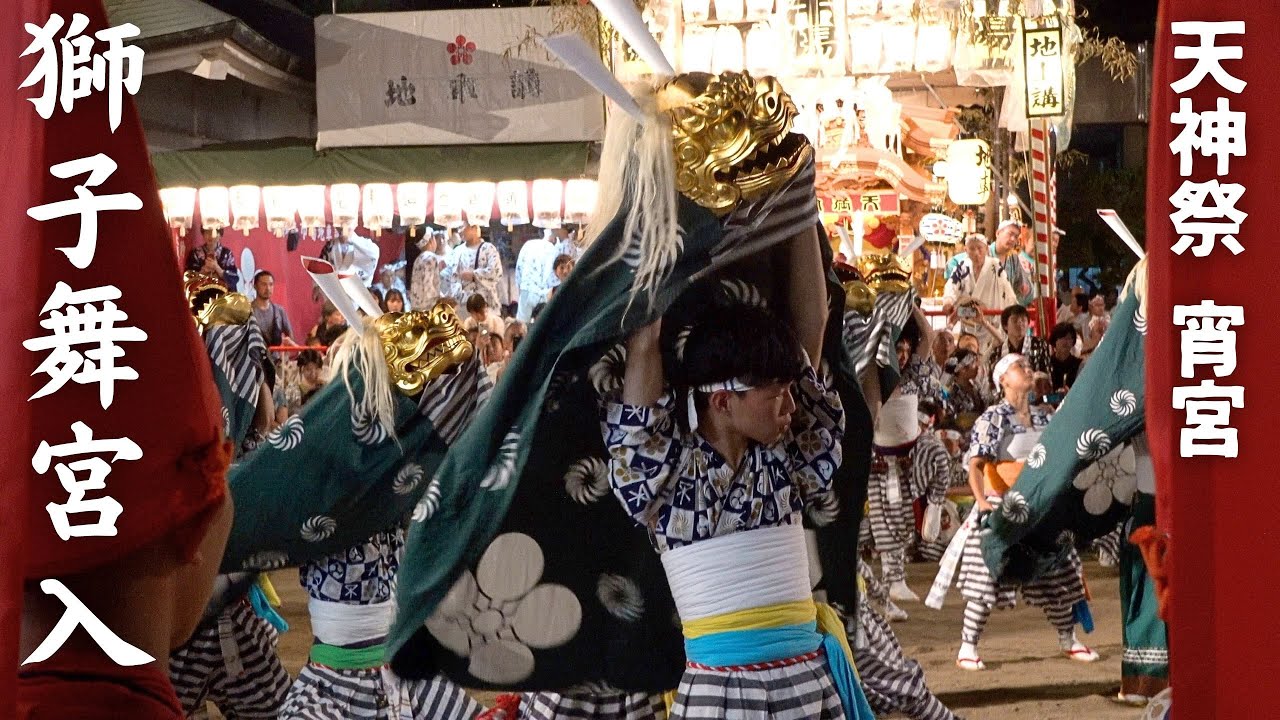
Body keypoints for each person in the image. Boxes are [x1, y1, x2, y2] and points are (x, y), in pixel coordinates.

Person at [603, 241, 873, 720]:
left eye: (792, 390)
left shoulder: (788, 456)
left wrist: (801, 211)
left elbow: (813, 326)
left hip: (811, 683)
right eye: (777, 395)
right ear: (724, 402)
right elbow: (644, 341)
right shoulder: (658, 475)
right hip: (717, 694)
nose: (793, 406)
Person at [950, 354, 1097, 671]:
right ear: (1002, 379)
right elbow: (975, 466)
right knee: (985, 578)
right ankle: (967, 645)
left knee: (1061, 572)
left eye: (1029, 365)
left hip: (1042, 507)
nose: (1028, 369)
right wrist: (984, 502)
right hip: (1000, 506)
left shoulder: (1047, 418)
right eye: (1020, 367)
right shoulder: (993, 418)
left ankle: (1067, 638)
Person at [866, 322, 946, 606]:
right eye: (895, 349)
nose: (901, 355)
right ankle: (894, 581)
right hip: (879, 458)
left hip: (915, 453)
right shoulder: (870, 375)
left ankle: (935, 505)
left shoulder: (913, 374)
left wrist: (908, 303)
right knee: (886, 522)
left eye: (904, 350)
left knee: (940, 456)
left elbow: (929, 336)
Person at [942, 236, 1016, 353]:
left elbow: (1007, 289)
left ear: (986, 249)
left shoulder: (995, 266)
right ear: (966, 250)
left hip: (990, 321)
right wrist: (948, 301)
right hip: (969, 321)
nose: (976, 253)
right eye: (972, 249)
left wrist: (1013, 308)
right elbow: (952, 285)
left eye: (980, 248)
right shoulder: (962, 267)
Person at [444, 225, 503, 310]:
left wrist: (474, 275)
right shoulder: (457, 251)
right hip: (463, 305)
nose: (459, 231)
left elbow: (496, 272)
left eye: (462, 227)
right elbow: (450, 277)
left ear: (474, 228)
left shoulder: (488, 248)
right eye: (458, 228)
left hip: (485, 305)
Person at [986, 305, 1051, 375]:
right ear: (1005, 326)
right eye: (1015, 320)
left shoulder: (1039, 344)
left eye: (1023, 320)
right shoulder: (997, 352)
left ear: (1028, 324)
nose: (1020, 323)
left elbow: (1046, 375)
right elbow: (993, 380)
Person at [515, 230, 557, 322]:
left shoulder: (528, 244)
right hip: (542, 292)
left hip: (526, 289)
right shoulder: (551, 249)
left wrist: (520, 289)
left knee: (522, 325)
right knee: (542, 325)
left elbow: (518, 269)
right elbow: (550, 274)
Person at [250, 271, 296, 348]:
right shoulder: (248, 311)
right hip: (255, 358)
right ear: (255, 286)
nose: (268, 288)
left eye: (271, 284)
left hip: (277, 358)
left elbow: (290, 337)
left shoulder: (279, 311)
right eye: (264, 284)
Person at [410, 232, 447, 312]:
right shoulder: (431, 257)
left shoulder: (418, 259)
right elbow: (428, 286)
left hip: (416, 308)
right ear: (431, 240)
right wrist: (441, 301)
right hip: (428, 309)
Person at [1048, 323, 1082, 393]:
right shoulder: (1047, 363)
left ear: (1073, 341)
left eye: (1069, 338)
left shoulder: (1079, 364)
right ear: (1054, 340)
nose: (1065, 342)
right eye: (1061, 337)